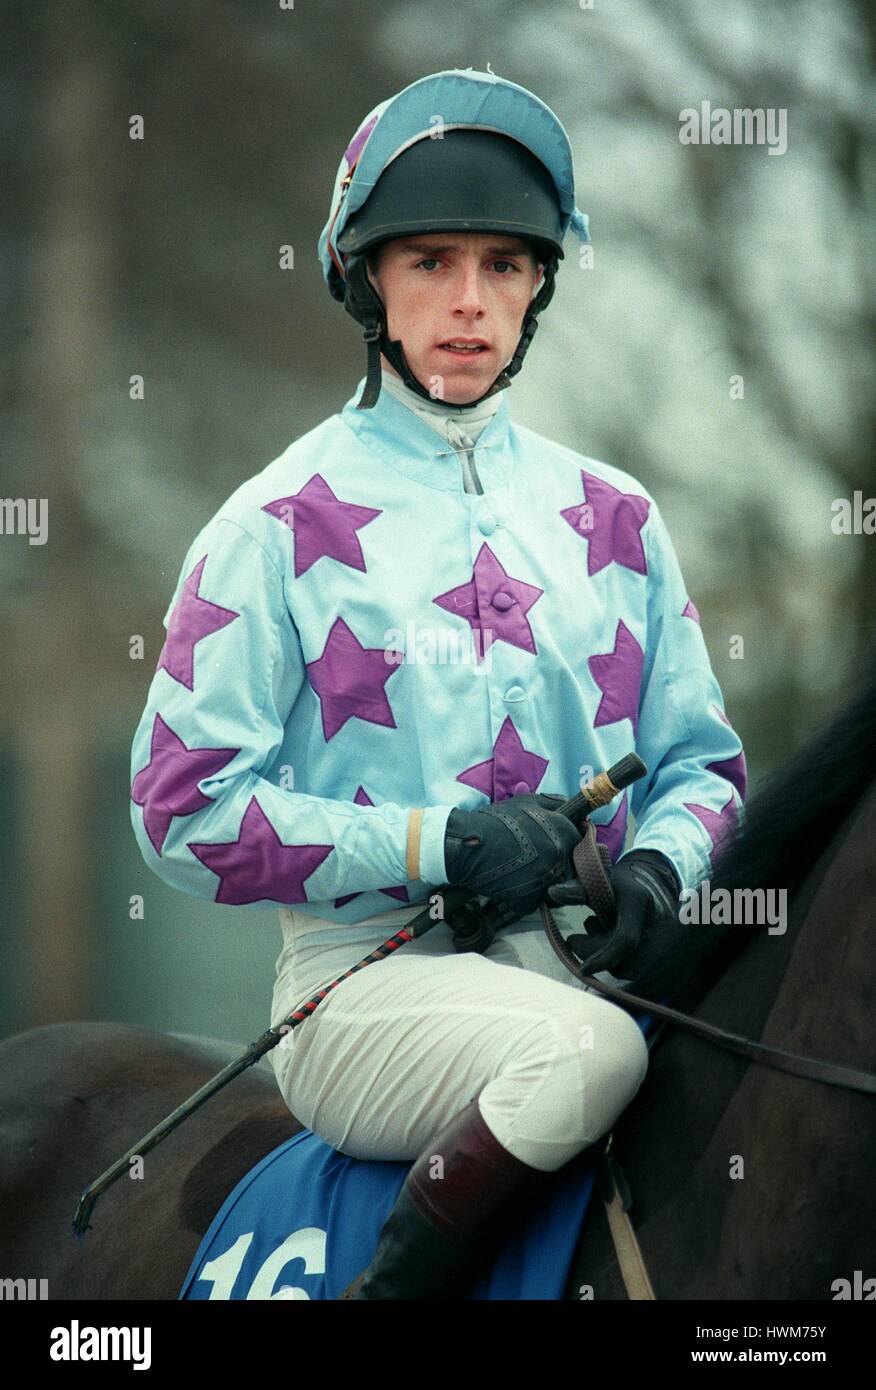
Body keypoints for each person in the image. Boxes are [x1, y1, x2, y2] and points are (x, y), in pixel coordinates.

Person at [129, 67, 747, 1299]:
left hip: (594, 965)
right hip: (364, 987)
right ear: (369, 282)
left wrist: (659, 869)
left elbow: (704, 764)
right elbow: (179, 812)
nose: (470, 302)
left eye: (505, 266)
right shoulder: (272, 525)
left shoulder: (615, 516)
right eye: (430, 263)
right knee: (590, 1057)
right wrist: (440, 841)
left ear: (539, 286)